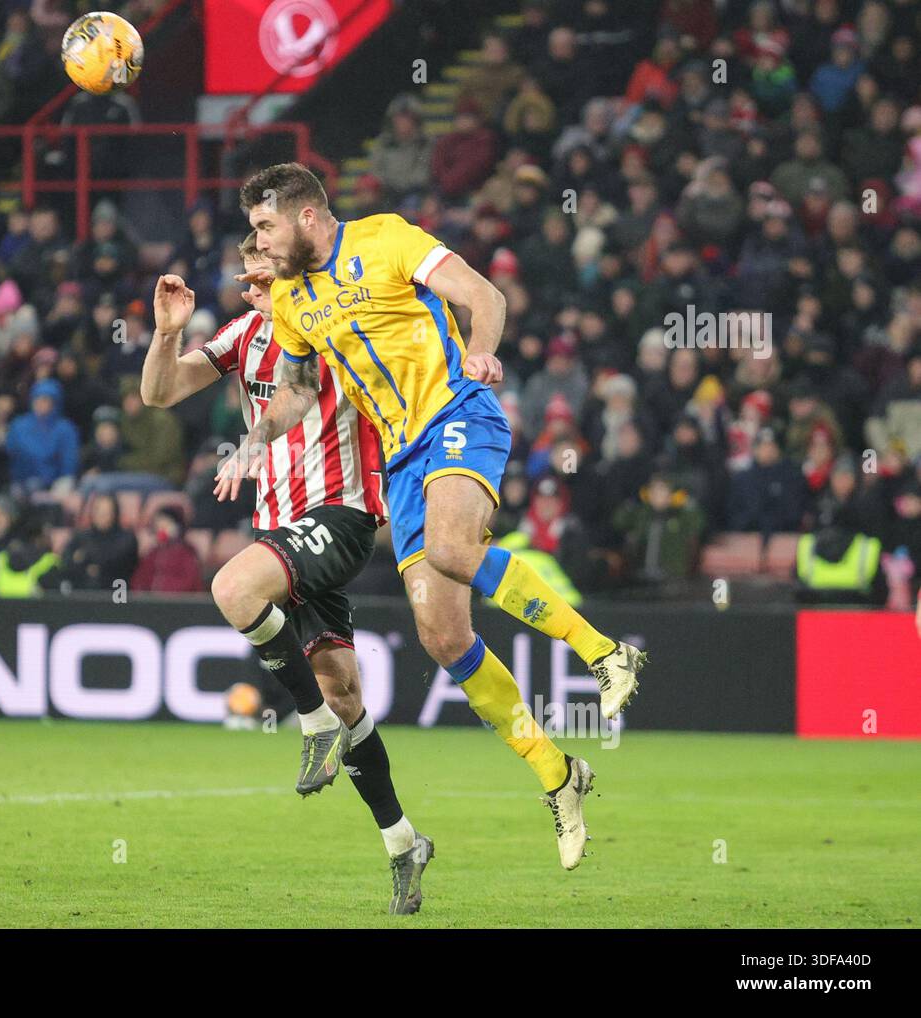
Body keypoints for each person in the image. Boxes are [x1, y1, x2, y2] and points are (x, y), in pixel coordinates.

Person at [224, 162, 646, 873]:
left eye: (264, 225)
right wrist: (252, 443)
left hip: (457, 412)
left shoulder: (386, 238)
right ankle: (558, 775)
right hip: (403, 461)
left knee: (453, 549)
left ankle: (605, 651)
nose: (257, 242)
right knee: (444, 638)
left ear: (303, 215)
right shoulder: (294, 299)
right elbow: (296, 394)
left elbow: (485, 296)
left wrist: (481, 349)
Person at [143, 235, 431, 915]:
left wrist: (248, 446)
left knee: (232, 588)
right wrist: (165, 334)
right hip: (281, 533)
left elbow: (300, 395)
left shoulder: (334, 328)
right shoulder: (244, 335)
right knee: (346, 693)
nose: (256, 289)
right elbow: (159, 394)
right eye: (250, 281)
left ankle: (309, 724)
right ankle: (403, 842)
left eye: (268, 276)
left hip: (342, 512)